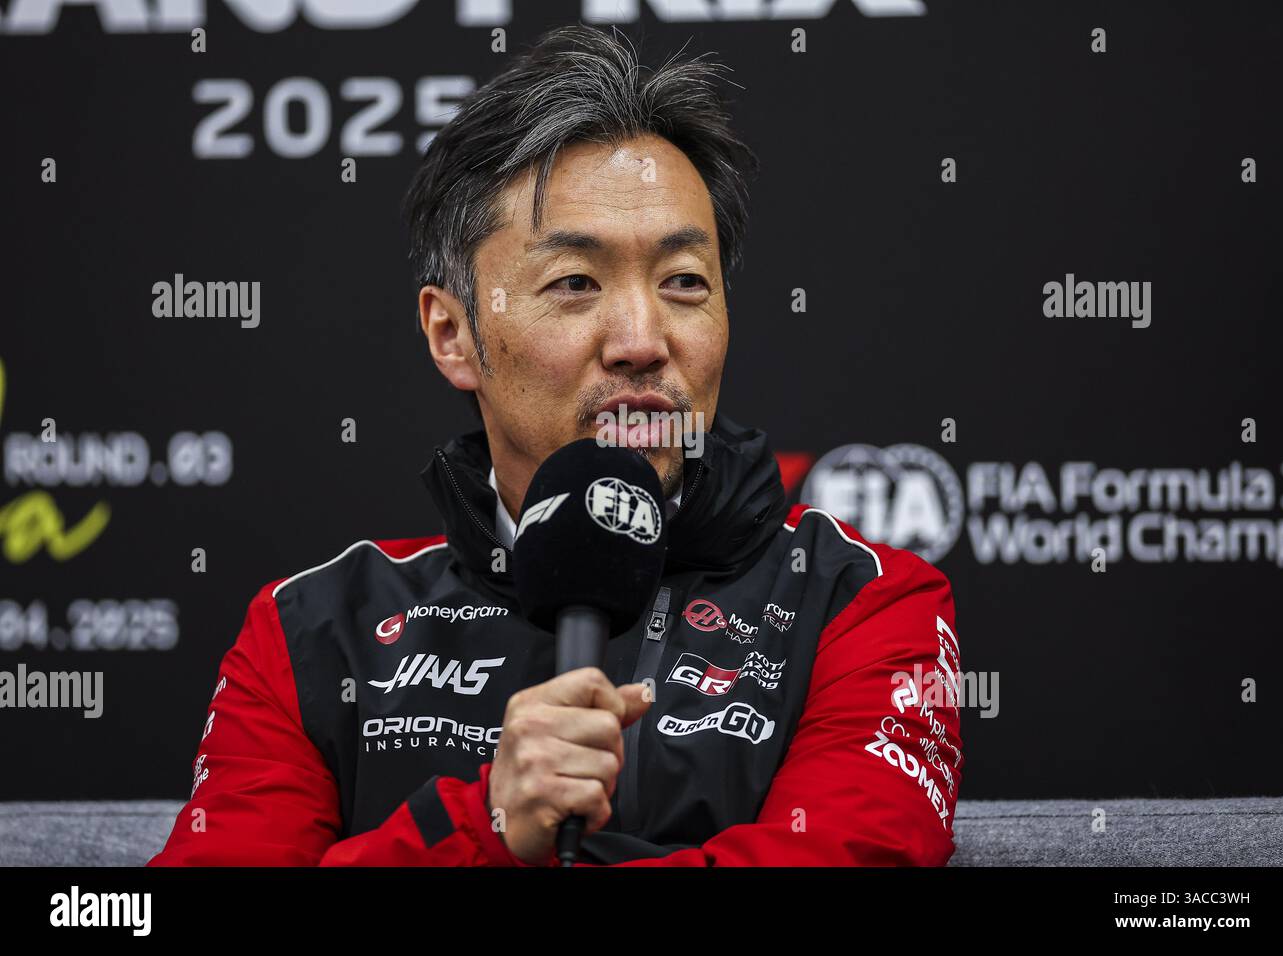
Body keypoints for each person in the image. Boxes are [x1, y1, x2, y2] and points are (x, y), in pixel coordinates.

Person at [149, 24, 963, 867]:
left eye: (685, 281)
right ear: (452, 333)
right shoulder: (313, 630)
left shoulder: (861, 604)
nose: (642, 339)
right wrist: (486, 825)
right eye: (575, 282)